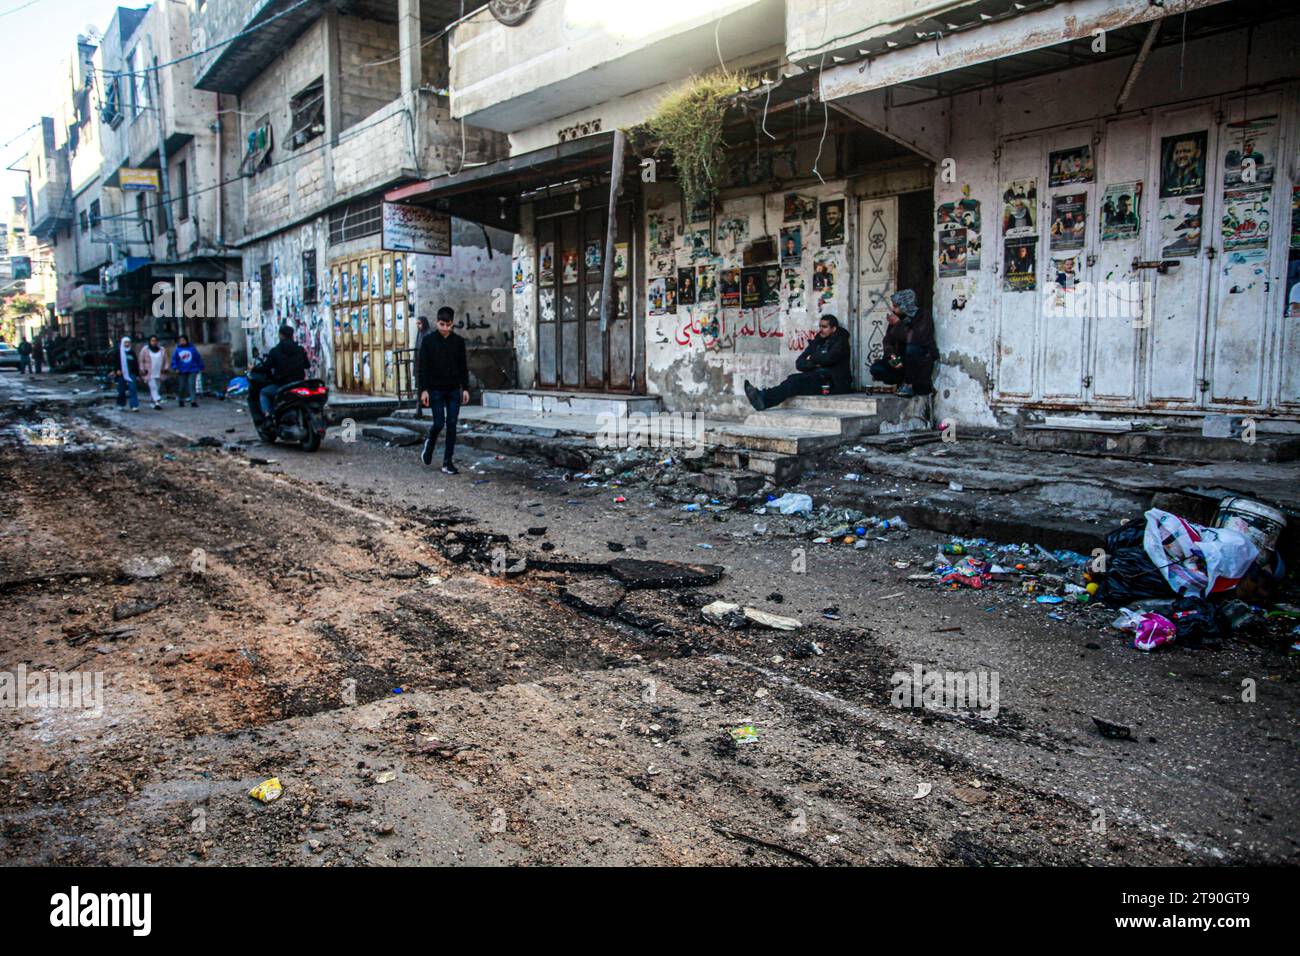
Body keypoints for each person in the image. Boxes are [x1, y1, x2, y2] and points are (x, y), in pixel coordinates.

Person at [743, 314, 850, 411]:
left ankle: (763, 398)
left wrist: (812, 360)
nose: (821, 330)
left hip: (833, 383)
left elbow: (829, 358)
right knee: (792, 378)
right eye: (820, 326)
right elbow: (799, 363)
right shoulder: (818, 341)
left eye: (825, 327)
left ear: (834, 329)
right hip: (816, 376)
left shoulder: (841, 342)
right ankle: (763, 397)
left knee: (795, 381)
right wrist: (816, 362)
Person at [417, 306, 469, 475]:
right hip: (435, 390)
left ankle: (448, 462)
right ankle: (429, 445)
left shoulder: (458, 342)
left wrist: (466, 388)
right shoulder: (428, 341)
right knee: (439, 423)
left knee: (452, 425)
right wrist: (423, 390)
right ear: (437, 322)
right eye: (441, 324)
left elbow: (463, 367)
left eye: (448, 325)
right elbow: (422, 367)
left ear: (452, 323)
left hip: (454, 390)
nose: (445, 328)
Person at [869, 289, 938, 398]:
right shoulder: (897, 317)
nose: (893, 309)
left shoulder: (923, 315)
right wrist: (892, 356)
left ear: (906, 304)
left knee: (912, 349)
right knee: (876, 369)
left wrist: (898, 324)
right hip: (901, 361)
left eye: (896, 306)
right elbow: (887, 341)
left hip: (919, 360)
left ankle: (909, 385)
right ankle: (902, 382)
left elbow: (916, 338)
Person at [260, 325, 309, 419]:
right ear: (292, 335)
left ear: (281, 335)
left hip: (282, 385)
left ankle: (267, 415)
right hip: (299, 384)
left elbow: (266, 367)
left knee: (264, 392)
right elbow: (307, 365)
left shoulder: (275, 351)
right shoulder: (300, 349)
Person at [170, 334, 203, 407]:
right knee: (182, 386)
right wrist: (176, 368)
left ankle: (193, 401)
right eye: (180, 341)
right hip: (182, 370)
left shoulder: (192, 349)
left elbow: (198, 358)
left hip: (192, 369)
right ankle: (181, 399)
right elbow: (174, 360)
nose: (182, 342)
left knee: (192, 385)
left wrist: (200, 367)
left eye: (183, 340)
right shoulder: (177, 350)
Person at [109, 335, 141, 411]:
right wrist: (117, 370)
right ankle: (121, 404)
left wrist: (137, 374)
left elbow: (135, 363)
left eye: (128, 342)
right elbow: (115, 362)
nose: (127, 344)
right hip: (121, 373)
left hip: (131, 373)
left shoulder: (132, 352)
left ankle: (134, 405)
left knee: (133, 389)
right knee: (121, 389)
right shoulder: (118, 352)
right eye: (125, 342)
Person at [139, 335, 167, 409]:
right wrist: (142, 369)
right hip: (149, 372)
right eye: (152, 340)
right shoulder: (145, 349)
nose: (154, 342)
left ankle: (154, 403)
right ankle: (158, 399)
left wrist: (166, 368)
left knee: (157, 387)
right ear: (149, 341)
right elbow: (141, 360)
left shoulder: (162, 349)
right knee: (153, 387)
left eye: (155, 340)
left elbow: (166, 360)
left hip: (159, 371)